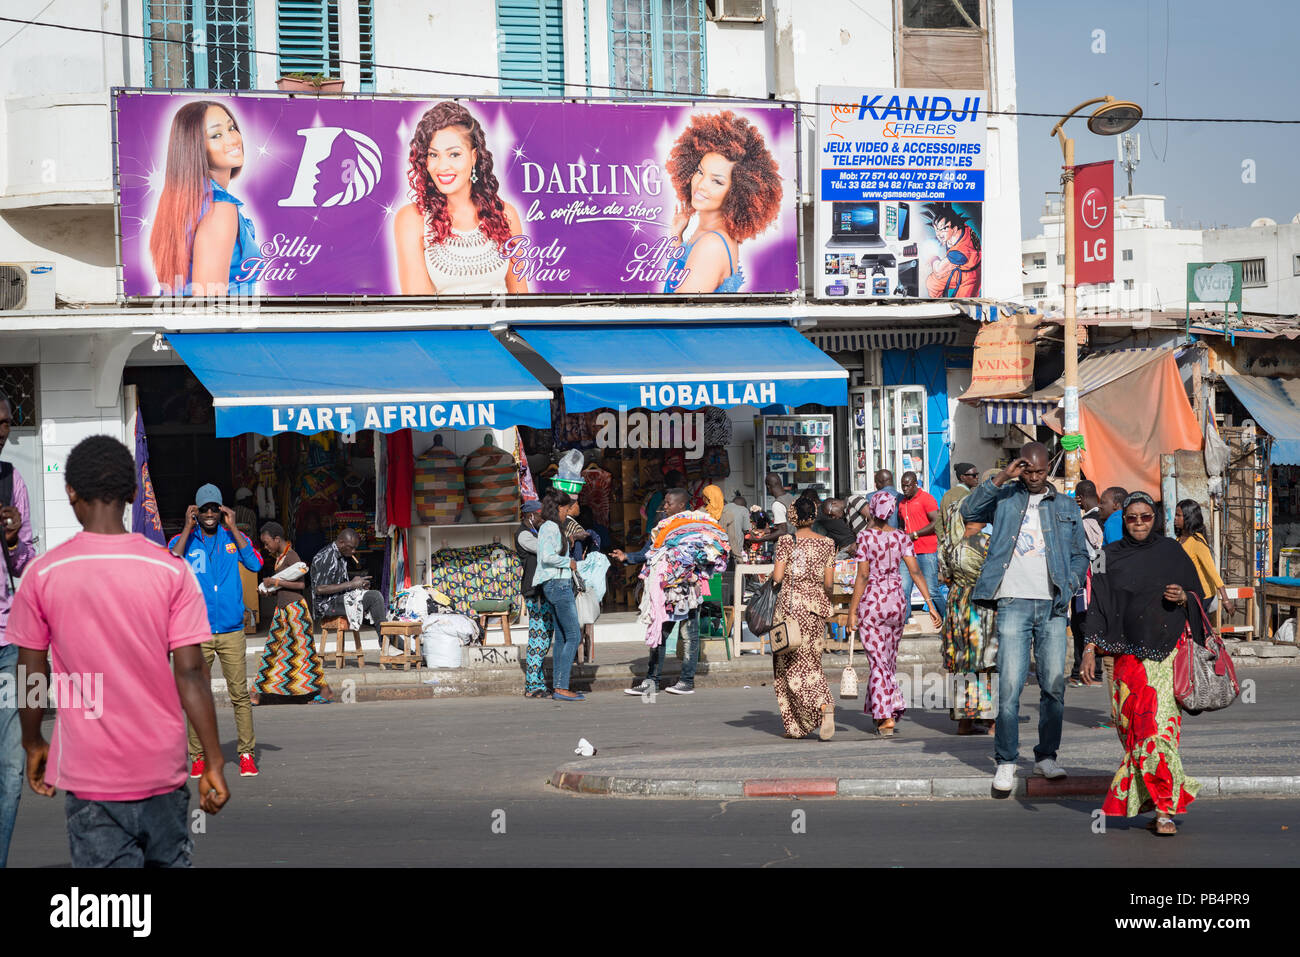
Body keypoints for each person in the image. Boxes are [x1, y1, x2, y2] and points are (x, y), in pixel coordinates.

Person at [9, 436, 229, 867]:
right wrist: (215, 760)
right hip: (162, 772)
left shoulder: (44, 575)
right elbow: (192, 673)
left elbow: (33, 673)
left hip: (92, 781)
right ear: (132, 494)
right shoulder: (170, 570)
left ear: (70, 491)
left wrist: (34, 742)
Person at [960, 442, 1089, 795]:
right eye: (1027, 470)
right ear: (1020, 466)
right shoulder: (1005, 499)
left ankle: (1046, 756)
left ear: (1049, 468)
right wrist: (1002, 476)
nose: (1033, 477)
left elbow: (1081, 554)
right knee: (1010, 687)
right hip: (1013, 602)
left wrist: (1072, 582)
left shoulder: (1064, 506)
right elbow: (967, 510)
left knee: (1054, 687)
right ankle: (1006, 761)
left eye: (1040, 471)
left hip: (1051, 606)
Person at [1082, 491, 1206, 836]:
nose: (1139, 523)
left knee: (1157, 732)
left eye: (1146, 517)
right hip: (1124, 660)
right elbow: (1096, 605)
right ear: (1123, 520)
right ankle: (1155, 801)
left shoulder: (1171, 550)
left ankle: (1166, 810)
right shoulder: (1106, 556)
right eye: (1132, 517)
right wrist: (1089, 648)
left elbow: (1200, 595)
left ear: (1156, 519)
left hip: (1166, 656)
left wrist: (1184, 597)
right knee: (1134, 735)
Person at [168, 483, 261, 778]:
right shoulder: (187, 539)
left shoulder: (233, 538)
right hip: (198, 632)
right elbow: (171, 563)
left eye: (214, 509)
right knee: (197, 694)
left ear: (222, 511)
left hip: (232, 631)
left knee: (239, 695)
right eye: (203, 509)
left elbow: (255, 564)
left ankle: (246, 753)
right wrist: (186, 528)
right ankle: (197, 755)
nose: (209, 514)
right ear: (196, 512)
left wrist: (234, 529)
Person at [394, 101, 529, 294]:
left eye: (454, 154)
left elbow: (521, 298)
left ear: (474, 157)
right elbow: (419, 309)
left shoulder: (506, 214)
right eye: (433, 155)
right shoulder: (412, 219)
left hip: (500, 324)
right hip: (444, 325)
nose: (442, 166)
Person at [848, 491, 943, 736]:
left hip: (872, 604)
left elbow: (863, 575)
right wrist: (930, 605)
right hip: (896, 602)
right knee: (887, 660)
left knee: (878, 663)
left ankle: (887, 714)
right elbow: (916, 573)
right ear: (891, 512)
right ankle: (881, 709)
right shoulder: (902, 537)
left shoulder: (865, 537)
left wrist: (852, 611)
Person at [663, 111, 783, 294]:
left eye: (717, 181)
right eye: (700, 172)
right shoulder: (708, 234)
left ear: (737, 193)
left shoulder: (711, 245)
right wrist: (677, 236)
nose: (701, 185)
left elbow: (680, 314)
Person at [149, 100, 257, 296]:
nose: (233, 139)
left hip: (180, 324)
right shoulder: (219, 208)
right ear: (194, 147)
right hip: (219, 325)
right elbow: (209, 304)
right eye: (216, 135)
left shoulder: (181, 203)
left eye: (231, 128)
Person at [613, 488, 709, 696]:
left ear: (681, 505)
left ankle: (686, 681)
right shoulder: (662, 528)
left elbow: (706, 555)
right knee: (659, 634)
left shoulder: (695, 527)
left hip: (688, 591)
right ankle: (651, 681)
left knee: (690, 636)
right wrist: (627, 557)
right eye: (664, 503)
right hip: (665, 592)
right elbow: (649, 552)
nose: (664, 507)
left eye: (668, 503)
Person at [0, 388, 37, 867]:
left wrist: (12, 539)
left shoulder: (13, 482)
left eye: (6, 422)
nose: (2, 432)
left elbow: (25, 555)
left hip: (7, 640)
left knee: (10, 769)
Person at [770, 498, 837, 740]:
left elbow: (778, 577)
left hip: (790, 610)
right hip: (816, 609)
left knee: (790, 665)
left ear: (792, 515)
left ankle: (817, 709)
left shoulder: (786, 541)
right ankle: (811, 717)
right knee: (812, 663)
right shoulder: (828, 544)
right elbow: (828, 583)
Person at [937, 486, 997, 734]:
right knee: (986, 660)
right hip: (981, 604)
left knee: (962, 661)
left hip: (956, 603)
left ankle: (965, 721)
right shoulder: (988, 544)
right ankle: (991, 721)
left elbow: (945, 577)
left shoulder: (949, 545)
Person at [251, 522, 332, 705]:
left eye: (267, 542)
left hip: (296, 611)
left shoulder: (292, 555)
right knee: (272, 651)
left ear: (277, 539)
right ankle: (257, 693)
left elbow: (301, 585)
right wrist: (270, 588)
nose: (266, 547)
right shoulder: (280, 557)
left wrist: (275, 582)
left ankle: (325, 691)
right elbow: (281, 584)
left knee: (304, 653)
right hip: (283, 611)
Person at [309, 528, 391, 668]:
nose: (353, 551)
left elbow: (341, 584)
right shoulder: (326, 557)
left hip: (340, 599)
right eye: (351, 548)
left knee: (373, 599)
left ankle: (390, 642)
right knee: (375, 597)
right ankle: (387, 644)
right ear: (341, 542)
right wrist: (352, 584)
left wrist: (357, 584)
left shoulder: (340, 555)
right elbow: (320, 589)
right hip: (327, 605)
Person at [534, 492, 585, 701]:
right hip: (557, 584)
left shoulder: (552, 528)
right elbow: (547, 556)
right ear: (557, 509)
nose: (566, 512)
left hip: (556, 584)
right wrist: (569, 562)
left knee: (563, 637)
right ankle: (561, 686)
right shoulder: (550, 527)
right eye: (564, 509)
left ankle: (559, 686)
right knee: (574, 636)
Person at [516, 501, 555, 698]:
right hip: (534, 592)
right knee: (537, 637)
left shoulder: (534, 533)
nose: (543, 519)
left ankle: (538, 681)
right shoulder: (524, 535)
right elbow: (544, 550)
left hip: (541, 591)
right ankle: (532, 685)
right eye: (540, 515)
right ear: (531, 515)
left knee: (544, 637)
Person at [1069, 480, 1105, 686]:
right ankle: (1093, 671)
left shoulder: (1086, 523)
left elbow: (1094, 554)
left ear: (1080, 497)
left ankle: (1083, 672)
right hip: (1098, 581)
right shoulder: (1104, 520)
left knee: (1081, 625)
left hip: (1086, 583)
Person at [897, 471, 946, 621]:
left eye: (907, 486)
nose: (904, 489)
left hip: (926, 550)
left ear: (915, 484)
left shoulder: (927, 499)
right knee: (904, 589)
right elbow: (902, 525)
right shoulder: (902, 503)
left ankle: (947, 620)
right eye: (902, 486)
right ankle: (903, 626)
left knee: (931, 590)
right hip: (908, 553)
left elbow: (936, 522)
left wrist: (915, 535)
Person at [1175, 500, 1235, 616]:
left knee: (1196, 629)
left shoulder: (1197, 541)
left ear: (1189, 517)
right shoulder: (1179, 540)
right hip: (1188, 594)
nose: (1175, 519)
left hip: (1203, 595)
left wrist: (1226, 599)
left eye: (1179, 515)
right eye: (1175, 515)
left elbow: (1212, 572)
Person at [760, 472, 797, 541]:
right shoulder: (791, 497)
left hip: (786, 546)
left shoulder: (777, 504)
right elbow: (788, 525)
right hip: (796, 542)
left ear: (768, 487)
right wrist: (769, 531)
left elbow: (782, 531)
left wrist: (760, 539)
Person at [721, 491, 751, 562]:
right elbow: (746, 529)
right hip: (736, 548)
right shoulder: (744, 510)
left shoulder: (723, 508)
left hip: (721, 545)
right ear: (743, 505)